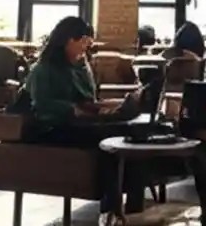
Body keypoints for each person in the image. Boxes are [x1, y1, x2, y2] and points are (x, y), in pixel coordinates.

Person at [18, 16, 150, 214]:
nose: (85, 49)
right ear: (70, 40)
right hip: (52, 127)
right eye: (84, 43)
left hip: (79, 122)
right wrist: (75, 110)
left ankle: (131, 206)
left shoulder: (81, 66)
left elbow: (88, 100)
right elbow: (42, 105)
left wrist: (112, 106)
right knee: (110, 139)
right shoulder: (43, 69)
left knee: (129, 132)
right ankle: (112, 208)